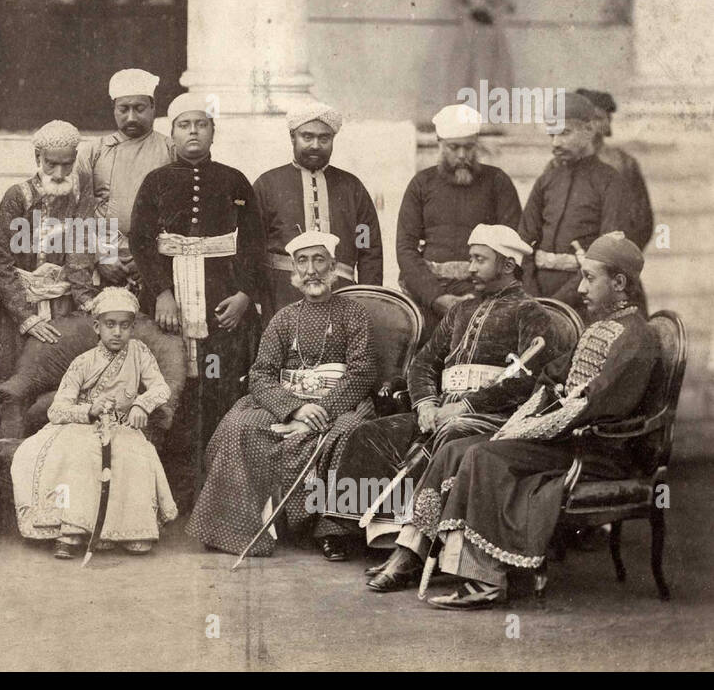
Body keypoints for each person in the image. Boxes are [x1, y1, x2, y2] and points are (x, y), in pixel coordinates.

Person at [412, 234, 660, 609]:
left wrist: (536, 421)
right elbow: (556, 374)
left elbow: (597, 403)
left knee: (485, 456)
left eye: (590, 279)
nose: (580, 288)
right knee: (462, 448)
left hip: (596, 450)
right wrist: (549, 393)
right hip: (567, 436)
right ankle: (442, 559)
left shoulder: (635, 338)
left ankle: (485, 581)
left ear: (620, 283)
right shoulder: (603, 326)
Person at [348, 225, 558, 591]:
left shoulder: (531, 313)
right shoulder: (462, 311)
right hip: (441, 410)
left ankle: (413, 554)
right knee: (372, 433)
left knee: (450, 435)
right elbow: (424, 362)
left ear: (508, 265)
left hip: (492, 419)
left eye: (480, 260)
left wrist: (465, 407)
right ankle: (390, 541)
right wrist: (427, 402)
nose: (470, 268)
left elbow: (526, 380)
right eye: (471, 258)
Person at [187, 231, 375, 561]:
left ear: (333, 268)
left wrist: (322, 410)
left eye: (319, 260)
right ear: (293, 272)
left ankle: (332, 531)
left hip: (339, 402)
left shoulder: (353, 313)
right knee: (241, 426)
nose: (311, 270)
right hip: (288, 403)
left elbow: (362, 371)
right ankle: (231, 529)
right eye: (302, 261)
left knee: (346, 433)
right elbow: (260, 374)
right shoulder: (284, 318)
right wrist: (295, 409)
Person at [129, 92, 266, 505]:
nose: (193, 132)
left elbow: (254, 242)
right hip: (173, 303)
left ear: (212, 132)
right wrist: (161, 294)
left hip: (221, 302)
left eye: (201, 125)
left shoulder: (234, 180)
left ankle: (221, 488)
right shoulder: (156, 181)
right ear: (172, 134)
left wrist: (244, 294)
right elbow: (141, 241)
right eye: (185, 125)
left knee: (220, 385)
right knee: (177, 388)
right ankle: (173, 491)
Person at [10, 287, 176, 558]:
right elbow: (57, 410)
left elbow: (161, 388)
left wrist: (140, 404)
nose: (117, 332)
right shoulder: (82, 363)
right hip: (82, 427)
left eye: (124, 325)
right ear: (97, 327)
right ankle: (71, 529)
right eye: (110, 325)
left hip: (123, 427)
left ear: (132, 328)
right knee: (80, 453)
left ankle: (127, 530)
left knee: (132, 453)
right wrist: (88, 410)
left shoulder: (139, 353)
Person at [252, 102, 382, 324]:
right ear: (293, 137)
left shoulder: (352, 187)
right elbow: (252, 246)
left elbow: (368, 250)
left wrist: (367, 299)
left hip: (341, 295)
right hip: (281, 297)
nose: (315, 145)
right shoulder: (268, 184)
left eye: (324, 139)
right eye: (307, 137)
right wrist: (255, 298)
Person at [397, 104, 522, 335]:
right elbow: (405, 249)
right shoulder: (421, 184)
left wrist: (475, 298)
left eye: (469, 147)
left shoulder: (498, 182)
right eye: (454, 148)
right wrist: (437, 297)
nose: (462, 156)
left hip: (484, 294)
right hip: (429, 295)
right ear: (440, 144)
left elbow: (511, 246)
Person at [0, 119, 98, 380]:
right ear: (38, 157)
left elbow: (80, 252)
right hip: (20, 310)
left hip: (65, 304)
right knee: (14, 380)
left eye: (67, 164)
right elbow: (0, 263)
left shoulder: (81, 196)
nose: (59, 173)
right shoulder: (17, 196)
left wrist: (86, 299)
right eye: (51, 163)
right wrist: (27, 318)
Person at [519, 92, 626, 311]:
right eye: (552, 135)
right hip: (535, 297)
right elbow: (523, 241)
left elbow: (606, 252)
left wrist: (559, 302)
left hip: (581, 300)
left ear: (588, 131)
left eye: (564, 133)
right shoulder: (546, 179)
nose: (556, 143)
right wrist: (532, 296)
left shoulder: (609, 180)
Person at [74, 68, 175, 293]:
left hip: (156, 263)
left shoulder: (171, 150)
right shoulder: (93, 151)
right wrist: (101, 256)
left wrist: (148, 259)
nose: (131, 117)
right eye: (124, 109)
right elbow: (78, 210)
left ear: (153, 107)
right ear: (114, 109)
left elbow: (179, 214)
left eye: (139, 109)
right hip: (104, 265)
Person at [576, 87, 655, 250]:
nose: (592, 126)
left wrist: (622, 255)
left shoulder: (624, 164)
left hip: (612, 254)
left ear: (608, 123)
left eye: (598, 118)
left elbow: (642, 219)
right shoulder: (561, 163)